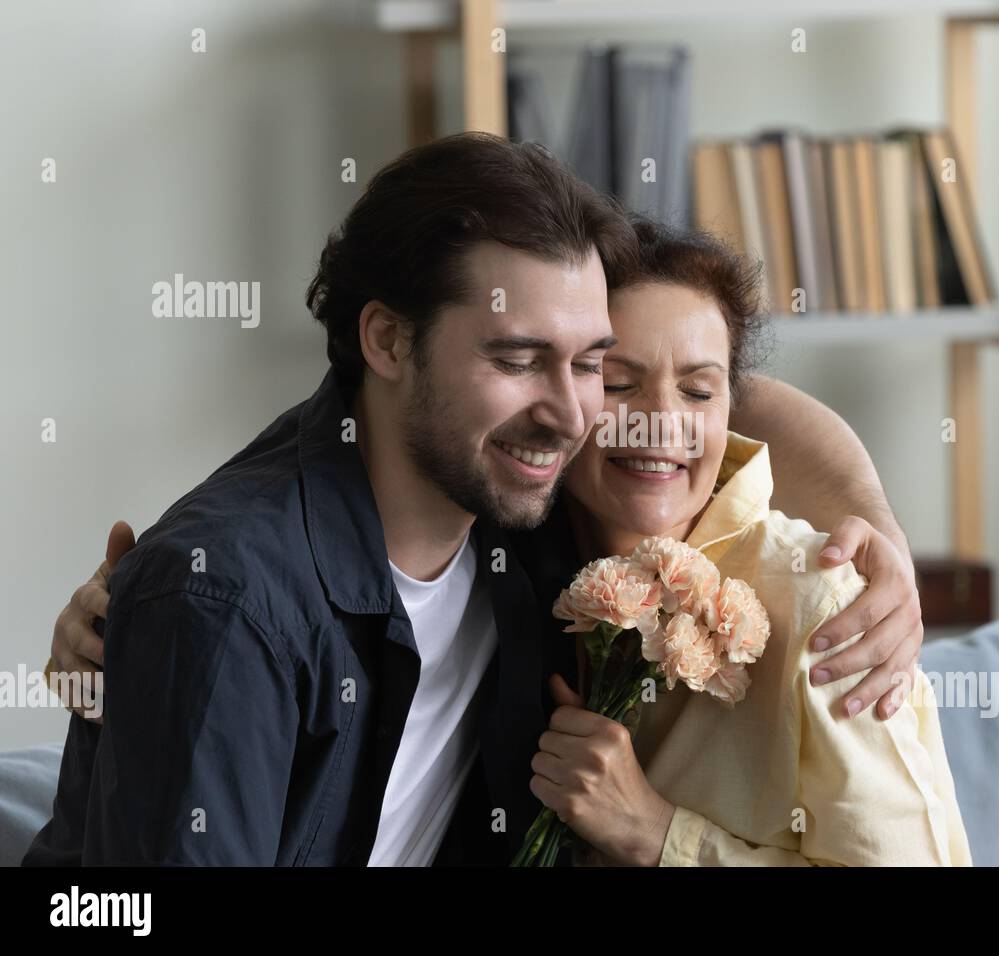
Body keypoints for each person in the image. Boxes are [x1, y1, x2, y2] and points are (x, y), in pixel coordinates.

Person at [29, 133, 928, 867]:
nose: (577, 414)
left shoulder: (526, 517)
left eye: (588, 366)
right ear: (385, 339)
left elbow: (710, 389)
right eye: (516, 359)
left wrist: (878, 528)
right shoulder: (234, 597)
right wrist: (161, 611)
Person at [516, 218, 971, 865]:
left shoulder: (822, 600)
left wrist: (654, 834)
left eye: (698, 390)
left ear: (729, 408)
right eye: (619, 382)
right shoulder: (511, 566)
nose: (662, 421)